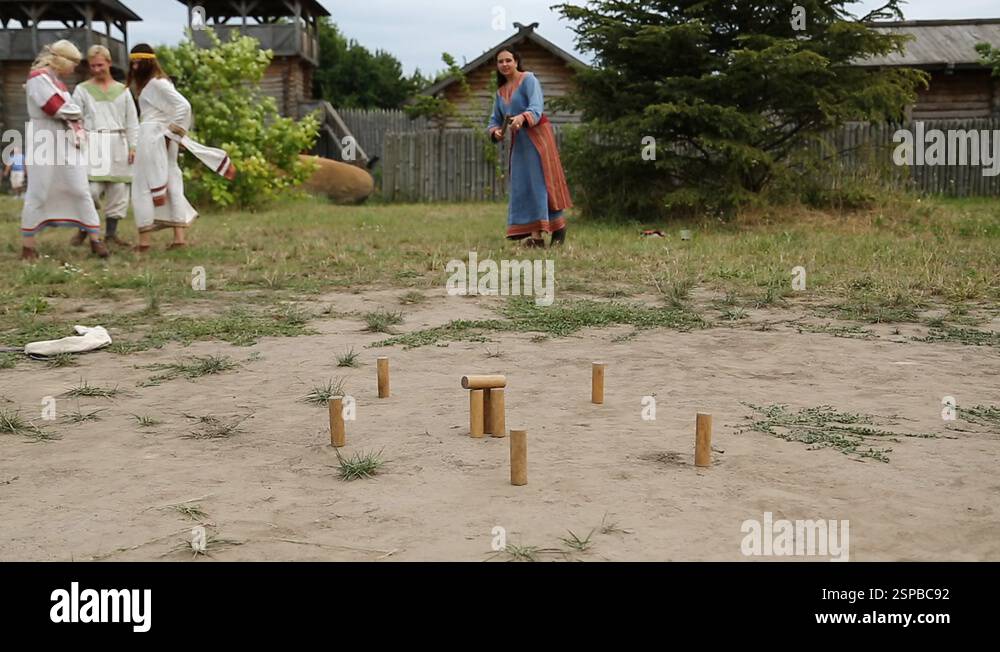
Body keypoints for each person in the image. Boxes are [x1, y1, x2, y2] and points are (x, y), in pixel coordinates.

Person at [127, 43, 235, 252]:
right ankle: (178, 238)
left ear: (149, 62)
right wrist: (170, 135)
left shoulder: (157, 83)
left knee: (143, 184)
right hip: (159, 137)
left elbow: (183, 106)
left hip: (153, 138)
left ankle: (145, 242)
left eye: (140, 62)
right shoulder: (155, 83)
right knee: (171, 181)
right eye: (133, 62)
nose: (135, 67)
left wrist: (171, 134)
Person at [19, 40, 107, 261]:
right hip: (44, 140)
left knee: (80, 188)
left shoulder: (57, 82)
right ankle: (28, 247)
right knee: (38, 191)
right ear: (62, 60)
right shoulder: (38, 78)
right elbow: (56, 108)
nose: (75, 68)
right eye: (73, 63)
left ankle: (96, 239)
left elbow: (67, 110)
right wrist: (76, 111)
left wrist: (73, 112)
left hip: (65, 140)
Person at [488, 48, 572, 247]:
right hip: (519, 143)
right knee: (523, 186)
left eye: (509, 60)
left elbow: (536, 107)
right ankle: (536, 238)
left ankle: (558, 228)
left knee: (540, 184)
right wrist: (495, 131)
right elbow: (494, 120)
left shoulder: (529, 80)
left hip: (538, 137)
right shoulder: (500, 93)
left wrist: (521, 118)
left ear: (516, 61)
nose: (505, 64)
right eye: (501, 61)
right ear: (497, 66)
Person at [70, 45, 139, 249]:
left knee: (118, 190)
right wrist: (78, 141)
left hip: (118, 142)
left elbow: (132, 120)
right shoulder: (82, 90)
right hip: (93, 142)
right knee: (90, 190)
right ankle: (86, 227)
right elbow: (75, 119)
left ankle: (111, 234)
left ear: (109, 63)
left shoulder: (123, 90)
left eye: (100, 65)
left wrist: (133, 145)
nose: (97, 69)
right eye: (93, 66)